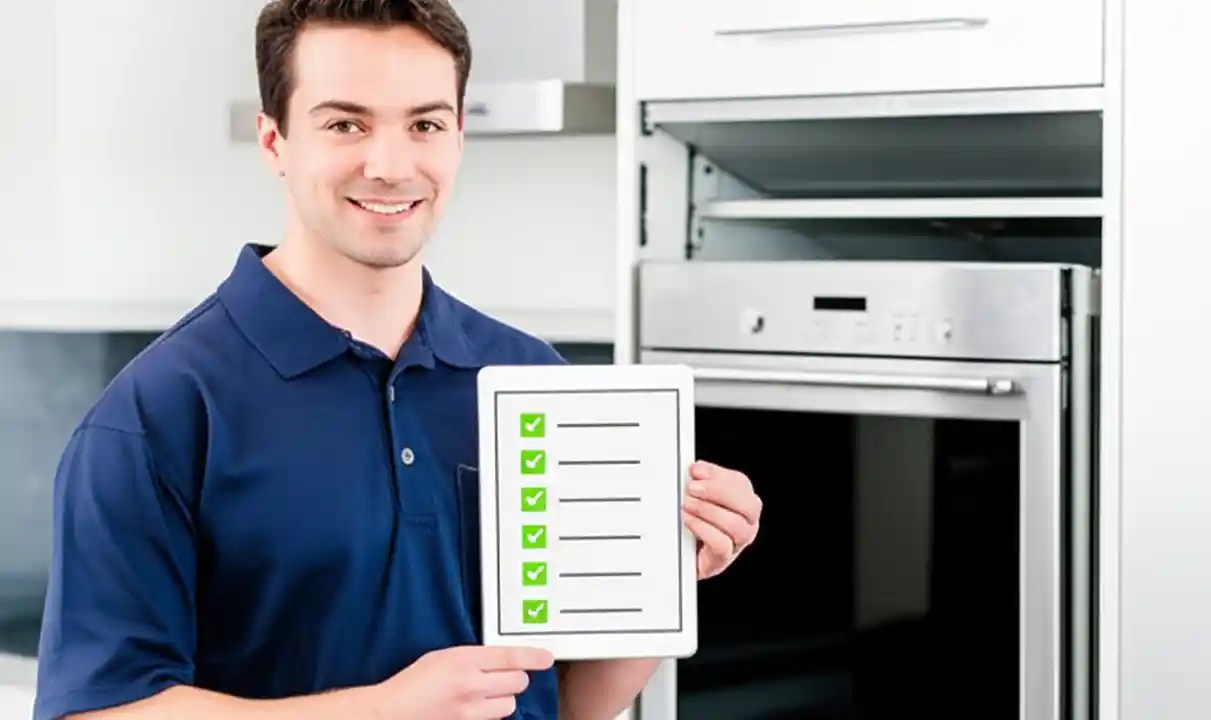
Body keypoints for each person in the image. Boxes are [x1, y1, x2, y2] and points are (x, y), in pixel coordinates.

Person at [33, 1, 762, 719]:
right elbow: (97, 711)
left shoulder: (534, 380)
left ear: (458, 135)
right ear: (274, 140)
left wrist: (668, 567)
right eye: (346, 123)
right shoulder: (157, 413)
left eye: (424, 124)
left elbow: (562, 700)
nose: (390, 165)